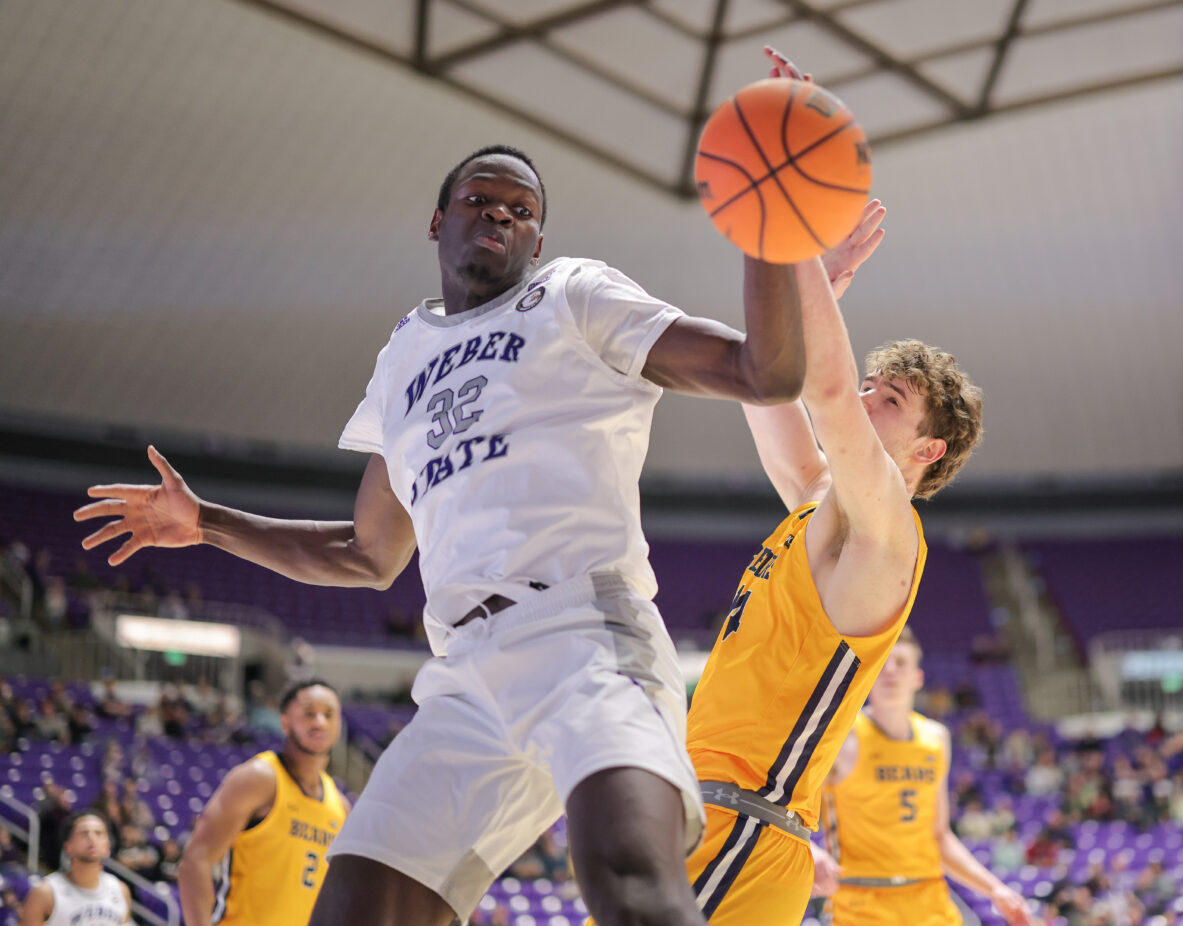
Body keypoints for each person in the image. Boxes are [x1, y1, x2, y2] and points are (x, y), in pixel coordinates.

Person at [75, 100, 813, 924]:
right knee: (356, 910)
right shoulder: (402, 358)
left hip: (583, 637)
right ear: (438, 222)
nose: (499, 213)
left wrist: (771, 224)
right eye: (480, 200)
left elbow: (764, 372)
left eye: (521, 210)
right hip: (466, 673)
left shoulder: (575, 295)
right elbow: (368, 553)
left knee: (631, 883)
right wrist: (208, 521)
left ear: (537, 238)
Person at [682, 43, 986, 926]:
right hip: (707, 815)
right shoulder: (818, 500)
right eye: (866, 385)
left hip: (744, 825)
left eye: (886, 400)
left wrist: (793, 226)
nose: (859, 399)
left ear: (927, 453)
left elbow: (817, 385)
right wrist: (811, 281)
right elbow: (767, 377)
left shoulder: (888, 525)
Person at [814, 628, 1033, 924]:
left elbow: (939, 836)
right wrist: (810, 850)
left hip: (929, 897)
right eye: (883, 662)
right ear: (868, 673)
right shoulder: (840, 737)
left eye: (901, 662)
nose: (890, 670)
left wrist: (995, 890)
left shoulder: (936, 738)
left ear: (918, 678)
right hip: (859, 901)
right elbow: (783, 806)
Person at [176, 679, 348, 926]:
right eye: (309, 713)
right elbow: (195, 862)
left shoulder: (340, 806)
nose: (320, 722)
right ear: (285, 723)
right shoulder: (259, 778)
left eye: (329, 714)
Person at [18, 811, 131, 926]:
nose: (92, 838)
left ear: (107, 847)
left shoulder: (120, 890)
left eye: (98, 833)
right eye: (84, 833)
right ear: (68, 847)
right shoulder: (45, 892)